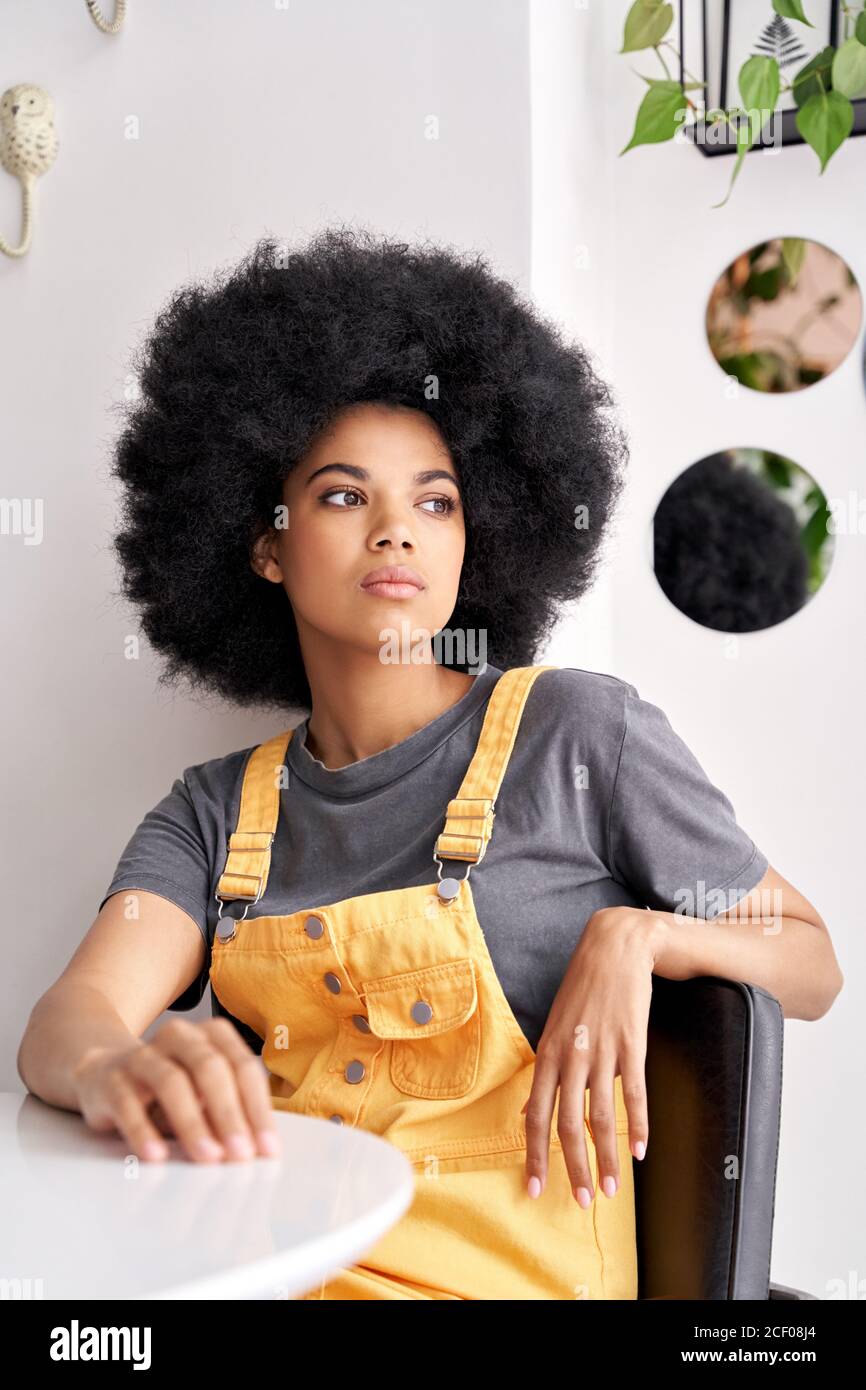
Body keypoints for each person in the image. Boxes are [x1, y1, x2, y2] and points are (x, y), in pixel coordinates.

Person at [17, 225, 843, 1300]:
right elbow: (65, 1022)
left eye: (436, 500)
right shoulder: (215, 813)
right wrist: (112, 1063)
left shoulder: (577, 734)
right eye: (344, 495)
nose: (397, 531)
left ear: (479, 536)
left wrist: (637, 934)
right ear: (264, 545)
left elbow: (810, 959)